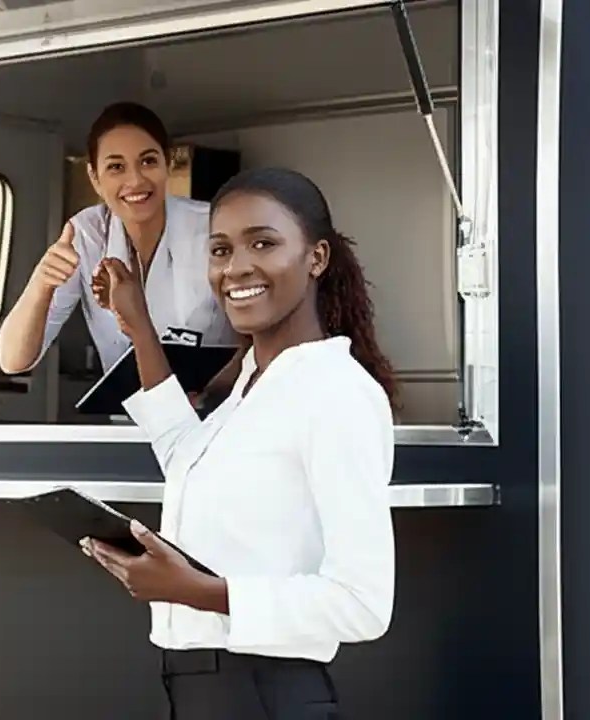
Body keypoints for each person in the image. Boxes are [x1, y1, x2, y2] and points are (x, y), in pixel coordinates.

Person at [82, 167, 398, 719]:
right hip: (199, 687)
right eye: (221, 249)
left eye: (264, 243)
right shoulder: (253, 380)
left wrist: (197, 590)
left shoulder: (336, 392)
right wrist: (138, 326)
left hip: (264, 691)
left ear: (317, 258)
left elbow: (363, 604)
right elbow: (183, 452)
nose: (237, 267)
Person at [0, 101, 244, 406]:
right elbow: (13, 361)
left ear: (167, 163)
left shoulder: (215, 228)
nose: (136, 180)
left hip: (221, 413)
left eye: (148, 161)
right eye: (116, 167)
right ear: (95, 177)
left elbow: (259, 337)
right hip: (130, 423)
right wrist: (41, 285)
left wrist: (213, 395)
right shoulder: (86, 233)